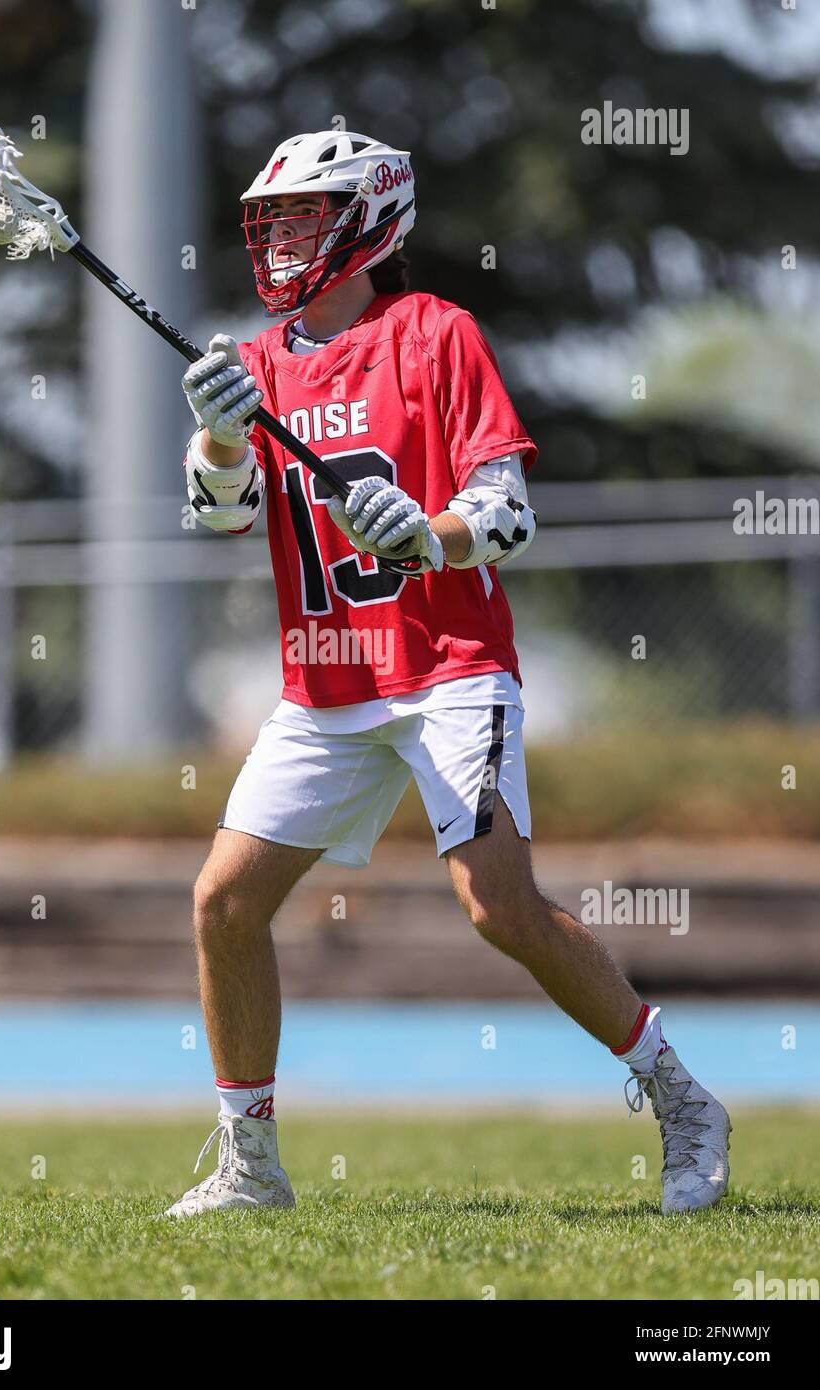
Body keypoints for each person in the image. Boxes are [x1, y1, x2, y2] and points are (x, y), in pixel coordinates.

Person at [166, 130, 730, 1218]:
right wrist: (220, 444)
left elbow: (507, 508)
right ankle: (254, 1166)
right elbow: (219, 519)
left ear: (371, 221)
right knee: (223, 904)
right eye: (271, 219)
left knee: (499, 907)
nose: (279, 237)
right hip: (325, 689)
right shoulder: (258, 360)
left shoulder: (434, 332)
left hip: (446, 669)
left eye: (303, 216)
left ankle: (685, 1100)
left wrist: (432, 535)